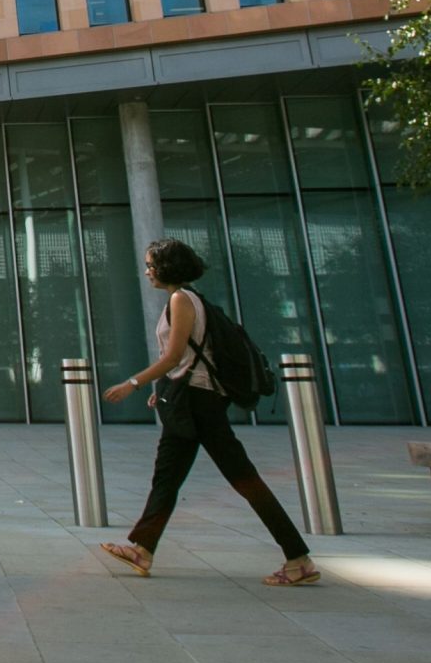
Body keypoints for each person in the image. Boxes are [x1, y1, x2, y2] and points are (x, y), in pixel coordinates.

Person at [100, 239, 317, 587]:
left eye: (151, 264)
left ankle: (298, 558)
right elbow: (187, 362)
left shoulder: (181, 300)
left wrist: (133, 383)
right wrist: (166, 391)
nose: (146, 271)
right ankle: (142, 548)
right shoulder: (189, 300)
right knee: (167, 477)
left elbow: (173, 357)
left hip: (199, 404)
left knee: (242, 479)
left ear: (168, 267)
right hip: (190, 400)